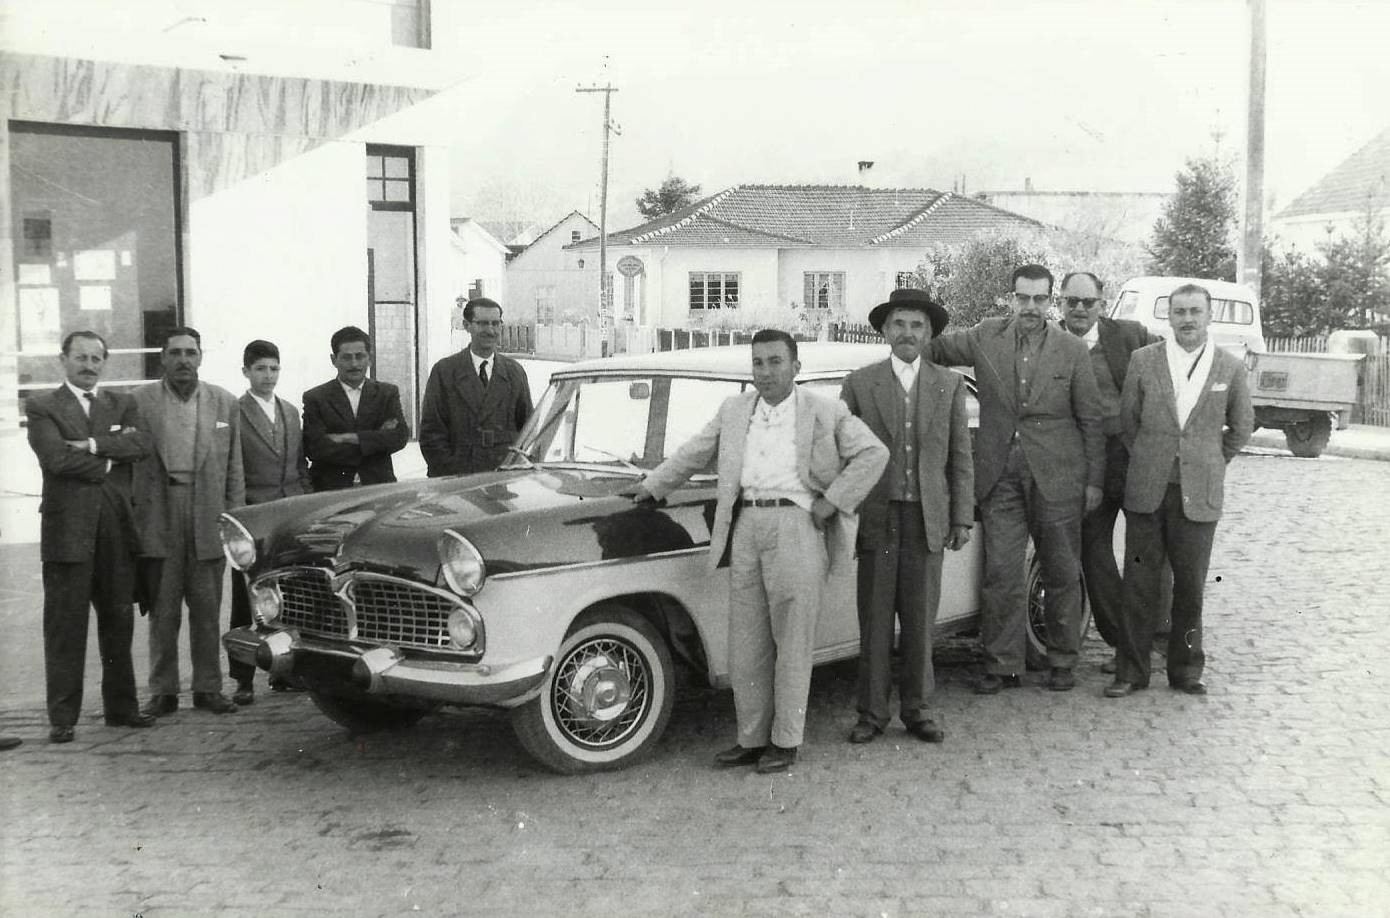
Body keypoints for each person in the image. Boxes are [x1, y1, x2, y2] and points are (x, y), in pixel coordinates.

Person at [633, 330, 888, 774]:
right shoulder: (735, 410)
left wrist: (833, 501)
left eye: (775, 362)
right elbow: (695, 452)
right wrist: (654, 486)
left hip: (798, 524)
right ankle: (750, 739)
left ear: (796, 367)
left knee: (792, 639)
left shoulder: (825, 410)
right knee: (747, 640)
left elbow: (873, 453)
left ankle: (785, 741)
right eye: (758, 363)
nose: (765, 372)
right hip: (746, 525)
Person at [928, 264, 1104, 693]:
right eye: (1022, 298)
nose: (1030, 307)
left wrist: (1094, 482)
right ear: (1010, 298)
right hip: (999, 476)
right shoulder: (985, 335)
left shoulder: (1072, 350)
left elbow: (1092, 420)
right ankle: (1001, 664)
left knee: (1061, 569)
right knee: (1001, 571)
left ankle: (1062, 659)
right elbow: (931, 349)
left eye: (1040, 299)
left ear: (1051, 301)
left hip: (1058, 476)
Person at [1105, 283, 1253, 698]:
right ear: (1168, 318)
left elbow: (1241, 427)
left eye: (1195, 311)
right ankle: (1131, 671)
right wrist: (1154, 457)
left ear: (1208, 316)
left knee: (1190, 587)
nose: (1187, 319)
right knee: (1138, 583)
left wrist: (1207, 461)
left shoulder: (1228, 367)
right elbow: (1128, 422)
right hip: (1147, 491)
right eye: (1179, 312)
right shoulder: (1144, 361)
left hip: (1198, 495)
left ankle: (1186, 669)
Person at [840, 289, 973, 745]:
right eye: (898, 324)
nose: (907, 333)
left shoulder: (948, 384)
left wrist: (961, 517)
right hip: (878, 517)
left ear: (930, 333)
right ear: (884, 331)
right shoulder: (860, 383)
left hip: (926, 519)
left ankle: (918, 709)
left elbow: (960, 457)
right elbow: (841, 454)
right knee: (875, 621)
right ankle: (872, 713)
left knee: (920, 621)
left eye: (917, 326)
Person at [26, 330, 154, 743]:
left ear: (105, 362)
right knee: (66, 625)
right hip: (68, 532)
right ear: (63, 359)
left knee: (118, 619)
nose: (88, 365)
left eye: (96, 358)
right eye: (80, 357)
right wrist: (109, 464)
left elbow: (141, 445)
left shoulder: (122, 402)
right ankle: (63, 717)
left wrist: (93, 443)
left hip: (116, 530)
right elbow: (55, 457)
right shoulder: (43, 404)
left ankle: (122, 708)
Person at [1056, 272, 1167, 670]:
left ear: (1103, 304)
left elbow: (1171, 370)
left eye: (1088, 302)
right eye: (1072, 302)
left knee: (1147, 553)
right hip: (1087, 465)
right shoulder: (1053, 344)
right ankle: (1124, 644)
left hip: (1133, 457)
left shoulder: (1130, 335)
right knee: (1092, 548)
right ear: (1061, 304)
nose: (1080, 309)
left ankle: (1158, 642)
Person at [133, 326, 245, 717]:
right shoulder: (140, 401)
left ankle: (208, 688)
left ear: (201, 357)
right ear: (162, 358)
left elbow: (235, 467)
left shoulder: (224, 402)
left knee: (206, 607)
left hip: (207, 511)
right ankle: (163, 691)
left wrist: (232, 518)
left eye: (190, 353)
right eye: (175, 352)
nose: (183, 360)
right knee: (162, 610)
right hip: (160, 512)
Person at [228, 339, 311, 706]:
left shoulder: (290, 411)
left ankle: (284, 673)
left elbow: (299, 466)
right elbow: (233, 469)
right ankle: (242, 678)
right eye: (260, 368)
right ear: (246, 371)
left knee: (288, 597)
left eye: (274, 368)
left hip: (288, 514)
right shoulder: (235, 411)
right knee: (245, 600)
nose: (268, 375)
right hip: (254, 516)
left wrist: (304, 504)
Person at [419, 297, 533, 477]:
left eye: (495, 323)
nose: (490, 330)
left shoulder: (514, 372)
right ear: (467, 325)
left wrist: (513, 471)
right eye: (482, 323)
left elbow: (528, 431)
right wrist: (452, 474)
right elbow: (431, 433)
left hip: (502, 480)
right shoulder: (445, 371)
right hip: (458, 480)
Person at [302, 326, 410, 491]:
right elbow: (315, 448)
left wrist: (346, 438)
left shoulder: (387, 393)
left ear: (370, 358)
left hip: (378, 488)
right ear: (333, 359)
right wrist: (375, 440)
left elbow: (399, 437)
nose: (354, 364)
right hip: (330, 491)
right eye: (346, 357)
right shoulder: (316, 398)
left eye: (360, 357)